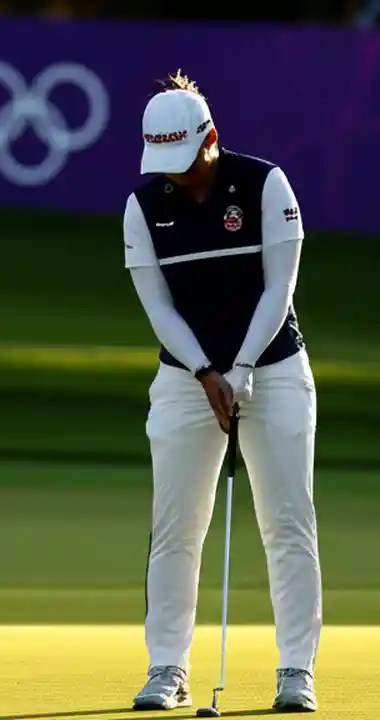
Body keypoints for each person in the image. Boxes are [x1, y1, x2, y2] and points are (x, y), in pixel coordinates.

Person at [123, 70, 322, 713]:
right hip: (186, 379)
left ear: (212, 138)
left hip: (276, 368)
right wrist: (209, 373)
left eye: (185, 161)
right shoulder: (143, 207)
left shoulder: (266, 186)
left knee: (287, 522)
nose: (175, 177)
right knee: (175, 528)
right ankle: (166, 668)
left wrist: (241, 367)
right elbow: (159, 308)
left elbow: (278, 289)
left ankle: (295, 670)